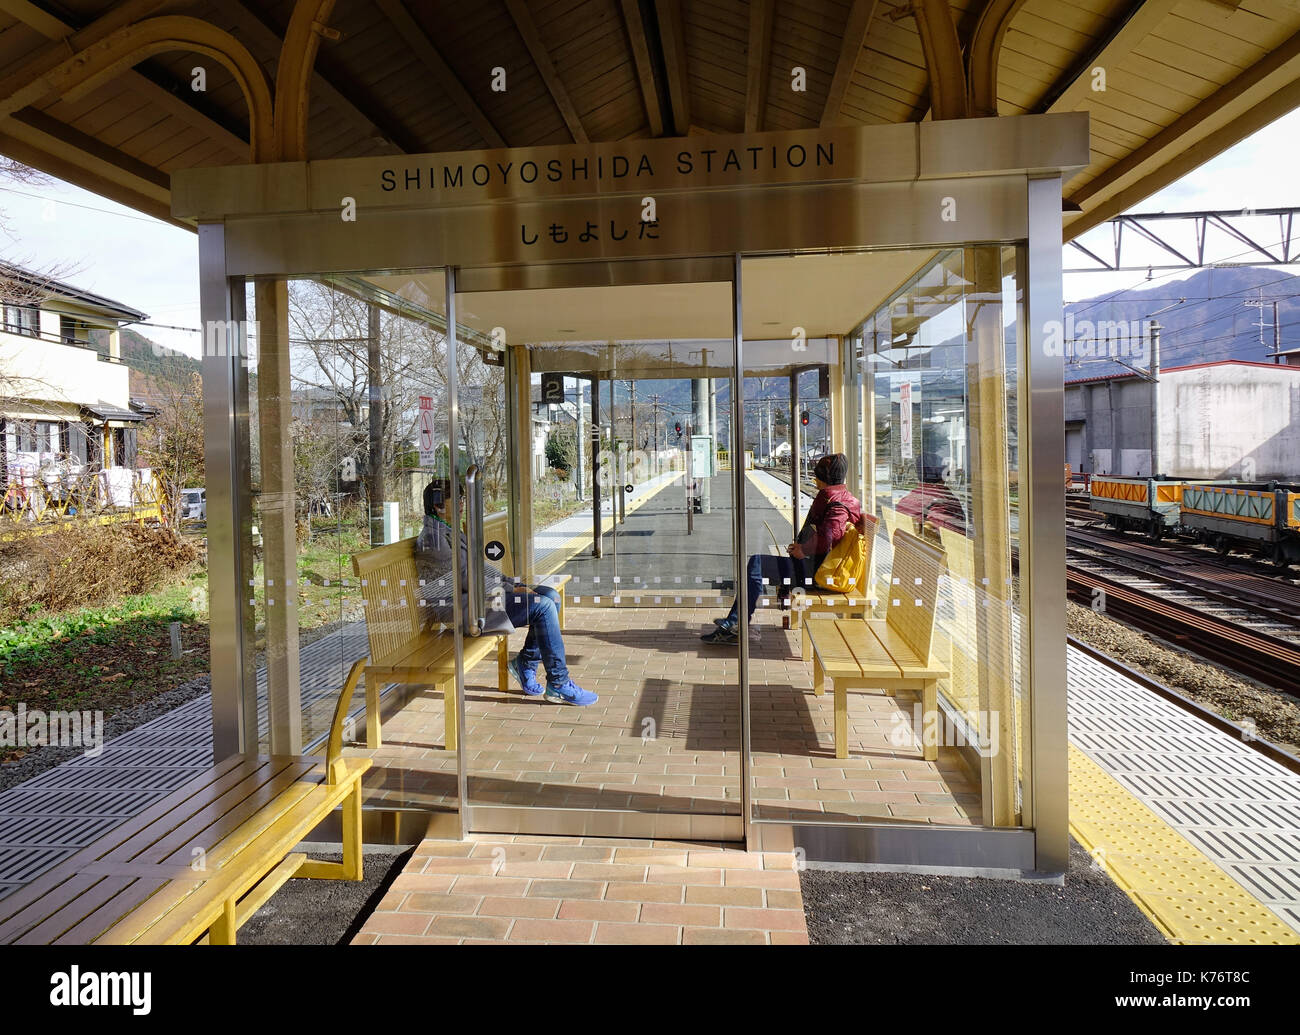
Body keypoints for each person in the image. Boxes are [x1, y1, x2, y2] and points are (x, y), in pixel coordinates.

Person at [416, 478, 596, 706]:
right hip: (462, 608)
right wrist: (511, 588)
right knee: (542, 606)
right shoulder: (435, 540)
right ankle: (559, 684)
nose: (462, 504)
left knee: (550, 596)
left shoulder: (447, 531)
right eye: (457, 499)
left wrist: (512, 584)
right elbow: (466, 579)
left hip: (475, 598)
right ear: (438, 505)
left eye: (463, 498)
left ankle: (526, 663)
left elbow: (478, 570)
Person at [701, 452, 863, 645]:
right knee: (757, 563)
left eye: (816, 476)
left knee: (757, 564)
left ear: (824, 478)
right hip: (820, 567)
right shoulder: (842, 497)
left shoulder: (836, 502)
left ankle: (736, 623)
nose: (814, 480)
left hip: (820, 574)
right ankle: (736, 621)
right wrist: (802, 548)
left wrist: (803, 550)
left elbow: (831, 535)